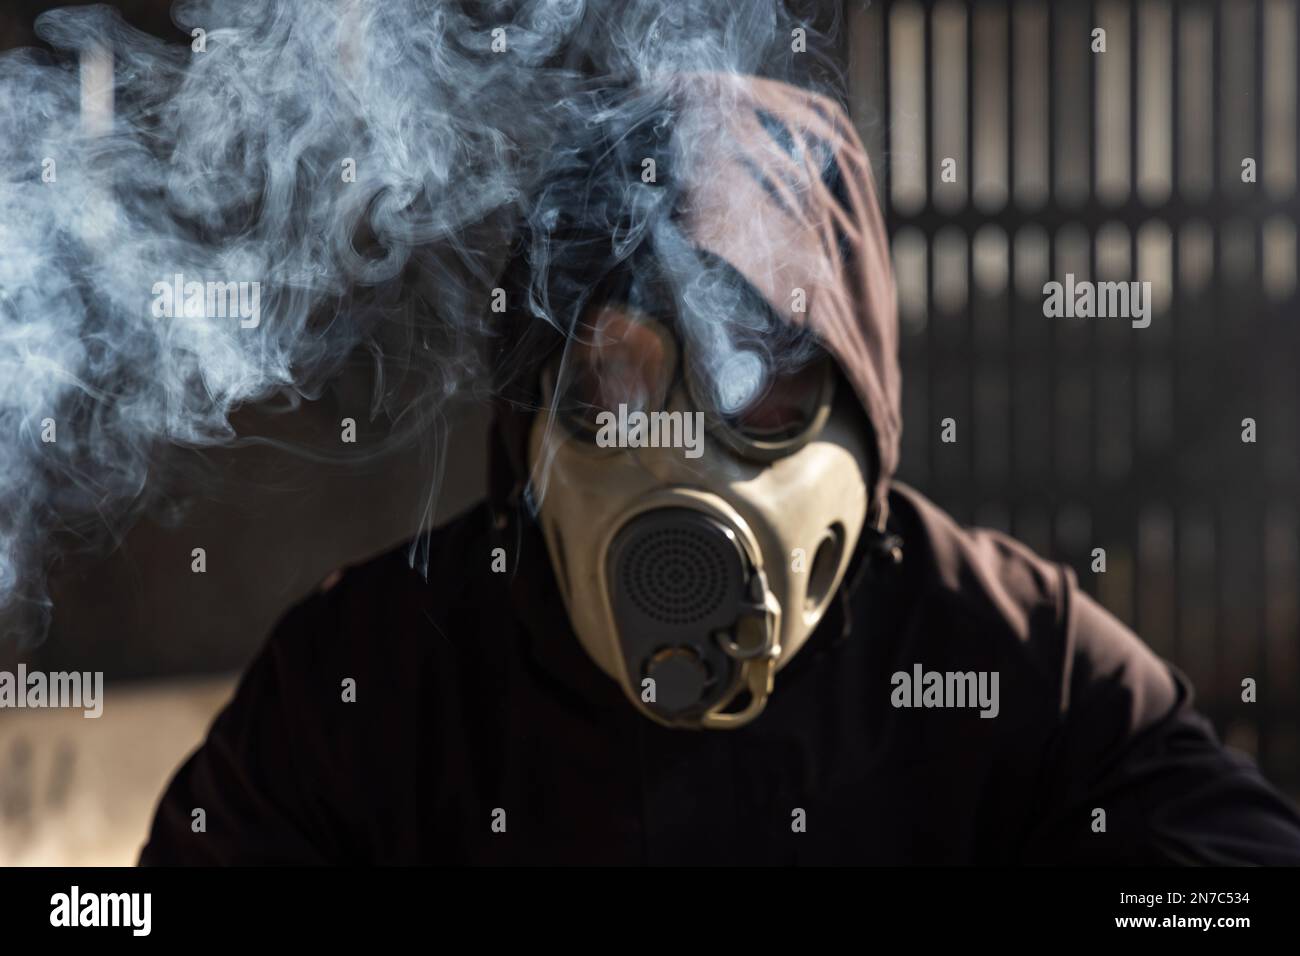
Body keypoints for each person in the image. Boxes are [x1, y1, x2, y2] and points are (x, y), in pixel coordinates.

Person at [140, 74, 1300, 865]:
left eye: (758, 379)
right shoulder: (369, 687)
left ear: (859, 392)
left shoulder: (1002, 652)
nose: (678, 450)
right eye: (615, 378)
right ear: (531, 418)